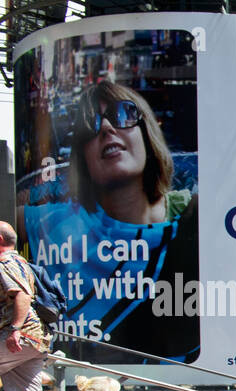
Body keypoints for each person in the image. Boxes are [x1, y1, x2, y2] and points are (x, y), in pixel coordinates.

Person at [21, 83, 199, 363]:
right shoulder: (56, 222)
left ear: (147, 133)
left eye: (123, 115)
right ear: (83, 157)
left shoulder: (196, 218)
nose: (106, 128)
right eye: (89, 124)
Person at [0, 221, 52, 391]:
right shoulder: (21, 262)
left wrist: (15, 329)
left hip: (19, 336)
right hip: (36, 339)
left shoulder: (4, 263)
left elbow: (21, 294)